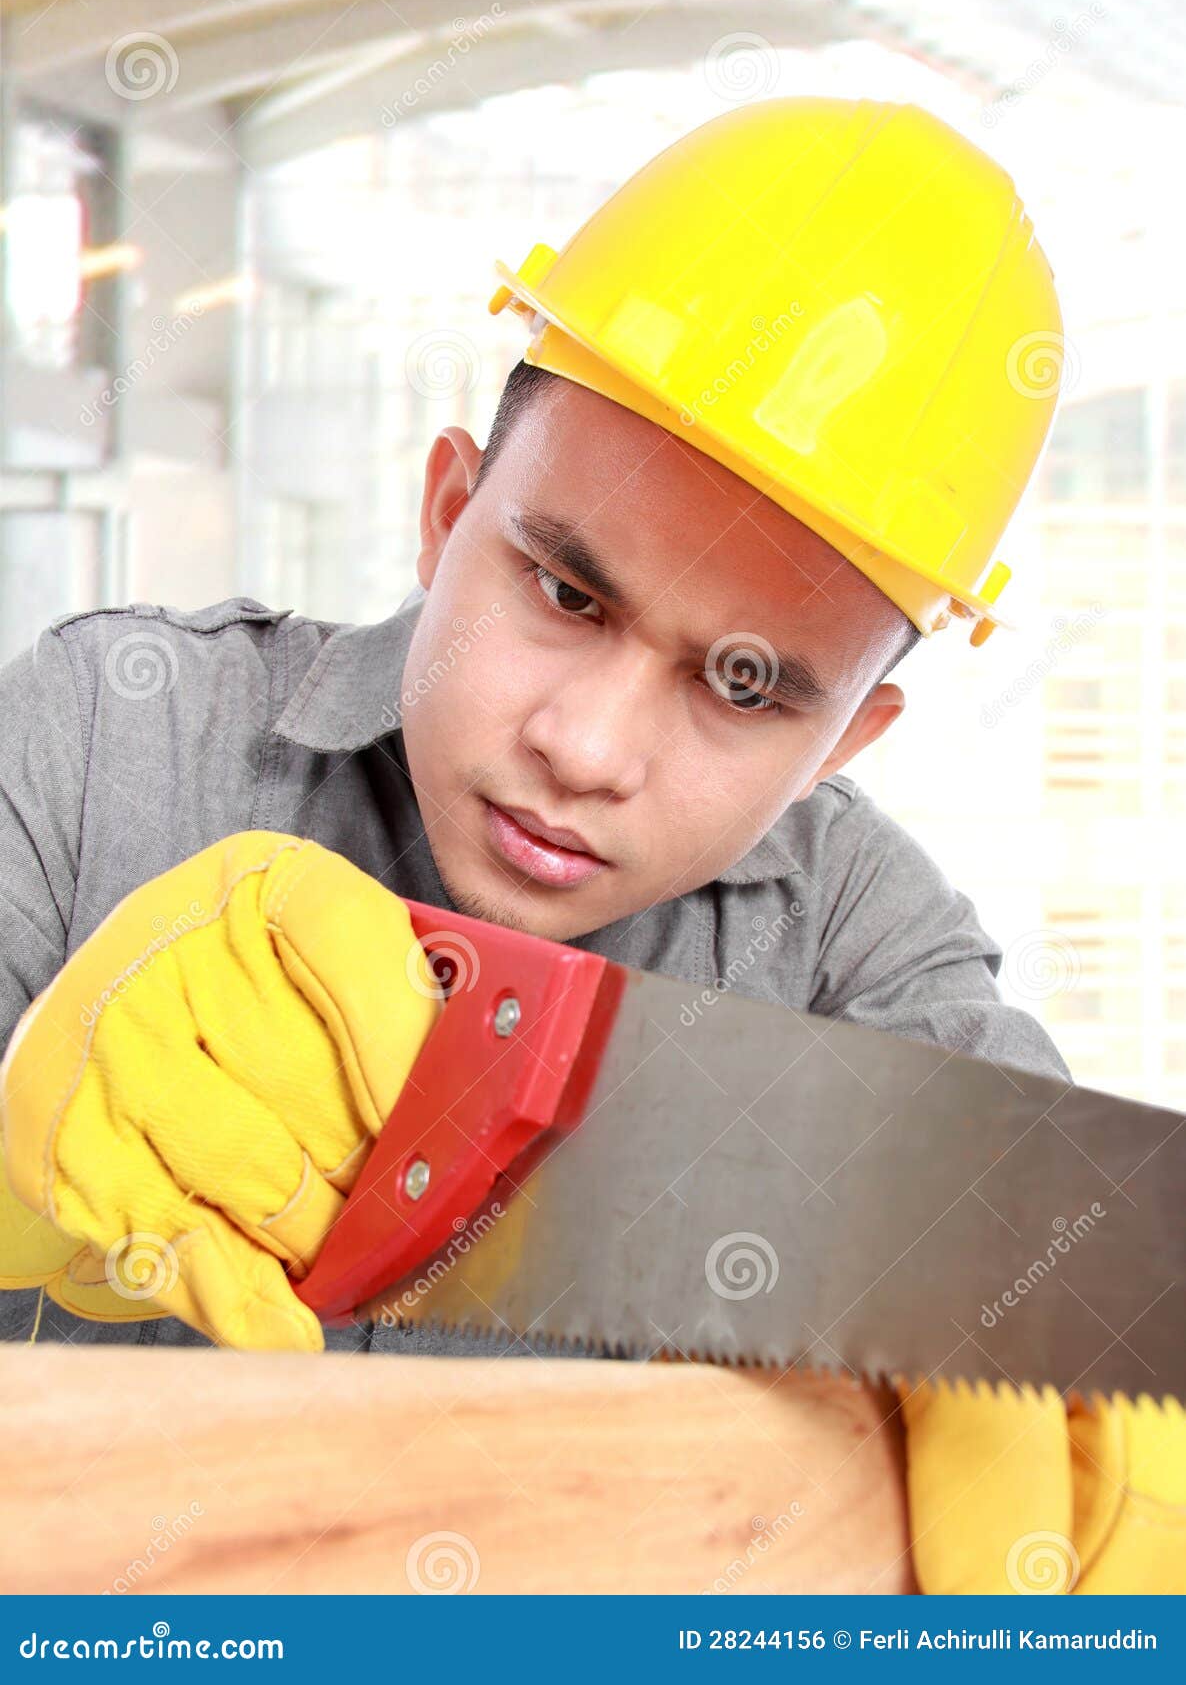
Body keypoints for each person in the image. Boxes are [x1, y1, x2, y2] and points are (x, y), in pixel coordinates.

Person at [1, 98, 1179, 1593]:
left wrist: (1091, 1323)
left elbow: (1070, 1289)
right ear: (445, 512)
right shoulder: (101, 736)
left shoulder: (860, 952)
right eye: (566, 590)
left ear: (846, 746)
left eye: (744, 685)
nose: (588, 748)